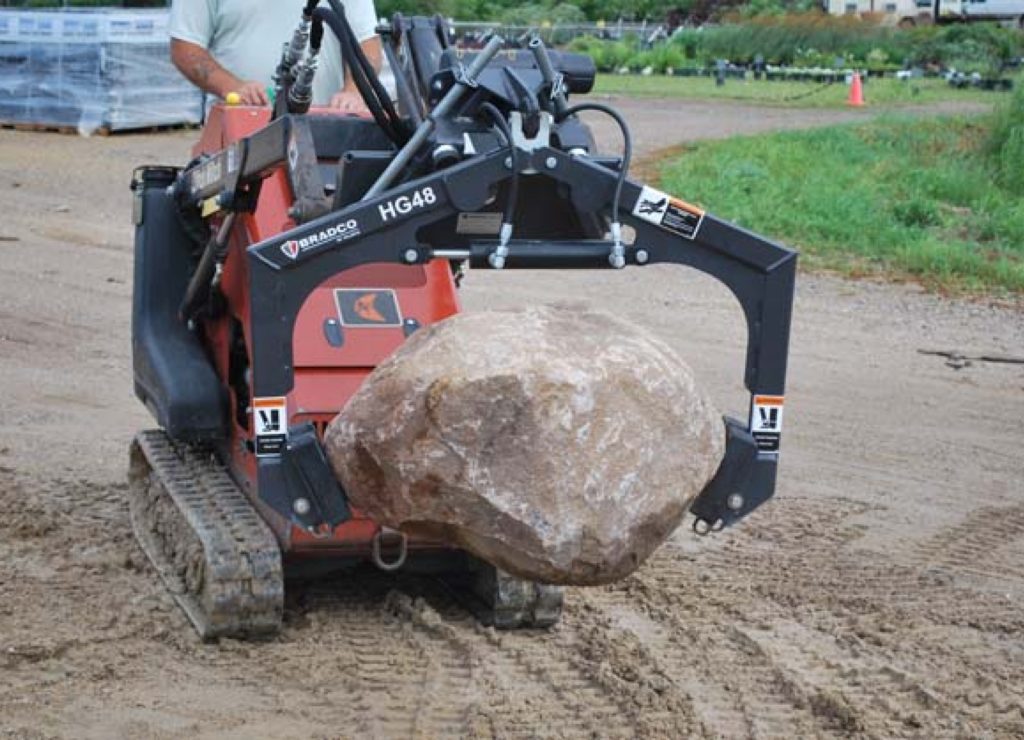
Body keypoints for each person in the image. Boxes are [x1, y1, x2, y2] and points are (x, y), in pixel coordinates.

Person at [168, 0, 381, 114]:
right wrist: (231, 86)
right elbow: (186, 48)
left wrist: (354, 91)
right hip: (239, 128)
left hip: (323, 127)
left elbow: (367, 44)